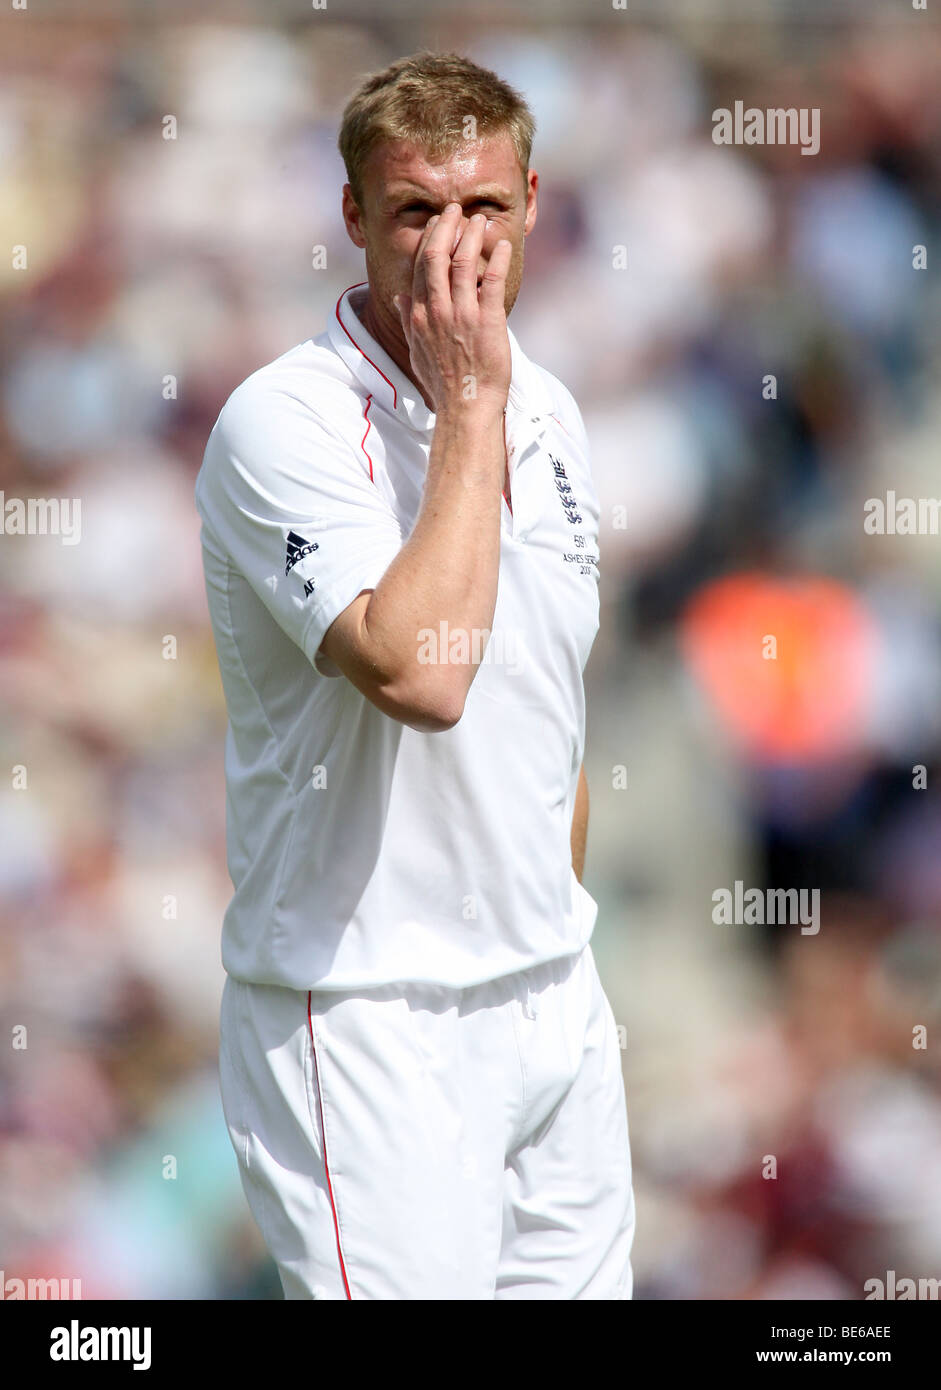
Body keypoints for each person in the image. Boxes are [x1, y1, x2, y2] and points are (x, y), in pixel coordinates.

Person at [195, 49, 634, 1300]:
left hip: (549, 994)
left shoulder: (546, 407)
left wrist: (548, 940)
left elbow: (547, 715)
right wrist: (467, 412)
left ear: (533, 202)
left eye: (484, 207)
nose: (455, 244)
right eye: (415, 210)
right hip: (363, 1008)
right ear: (353, 218)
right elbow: (421, 675)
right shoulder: (281, 423)